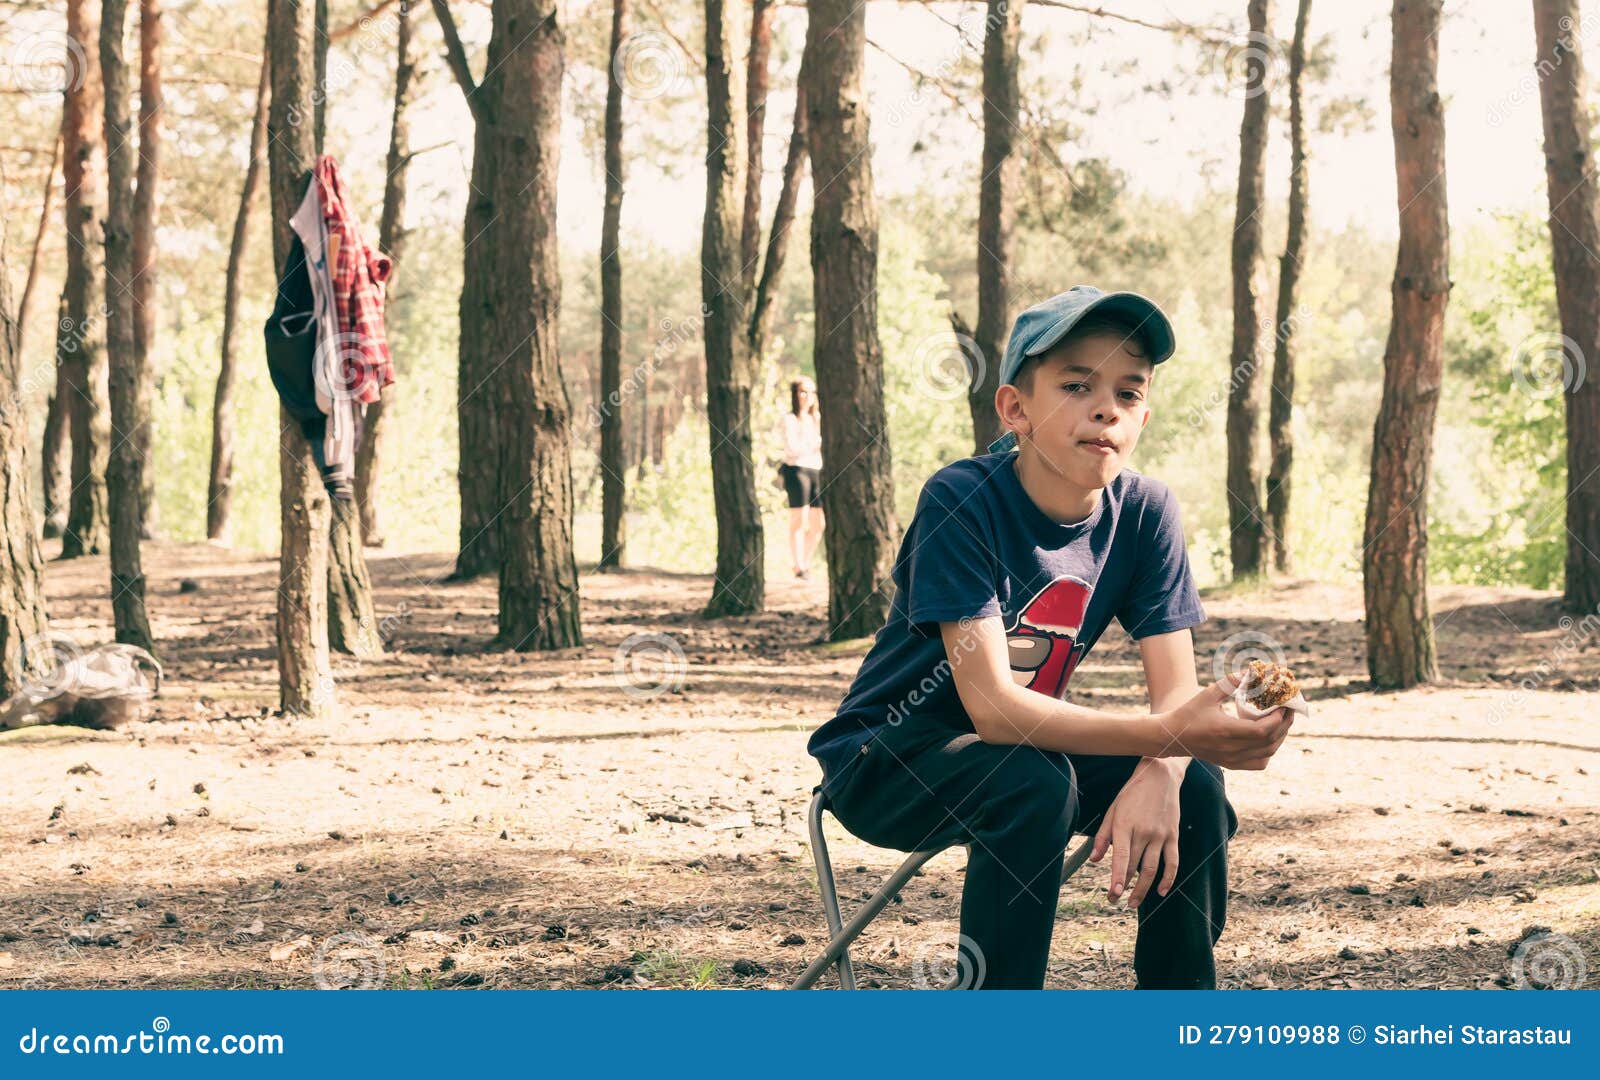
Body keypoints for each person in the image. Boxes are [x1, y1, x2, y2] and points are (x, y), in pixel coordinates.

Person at [804, 286, 1295, 989]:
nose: (1106, 408)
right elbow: (993, 710)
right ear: (1015, 410)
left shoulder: (1146, 513)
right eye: (1076, 385)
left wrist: (1170, 761)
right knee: (1031, 778)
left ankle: (1178, 1016)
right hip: (888, 758)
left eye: (1128, 393)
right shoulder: (962, 499)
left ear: (1142, 418)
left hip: (1021, 757)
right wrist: (1171, 736)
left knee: (1196, 790)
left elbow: (1175, 694)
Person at [778, 376, 825, 579]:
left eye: (811, 392)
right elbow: (792, 448)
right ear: (795, 395)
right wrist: (813, 444)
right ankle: (799, 566)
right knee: (799, 518)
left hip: (817, 470)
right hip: (796, 469)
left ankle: (803, 562)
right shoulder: (789, 419)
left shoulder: (818, 420)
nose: (807, 396)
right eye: (802, 391)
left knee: (819, 523)